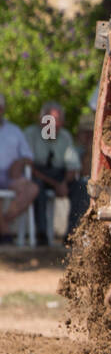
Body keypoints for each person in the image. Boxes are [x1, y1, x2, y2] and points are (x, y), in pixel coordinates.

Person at [24, 100, 90, 244]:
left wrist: (64, 183)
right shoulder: (30, 134)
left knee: (81, 188)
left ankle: (72, 234)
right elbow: (30, 166)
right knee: (37, 188)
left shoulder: (65, 137)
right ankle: (41, 234)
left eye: (58, 120)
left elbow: (72, 165)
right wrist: (57, 184)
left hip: (60, 175)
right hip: (39, 175)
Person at [0, 92, 39, 242]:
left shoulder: (14, 131)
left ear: (2, 109)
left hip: (10, 176)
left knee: (32, 189)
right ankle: (5, 232)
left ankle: (3, 222)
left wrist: (20, 162)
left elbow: (29, 157)